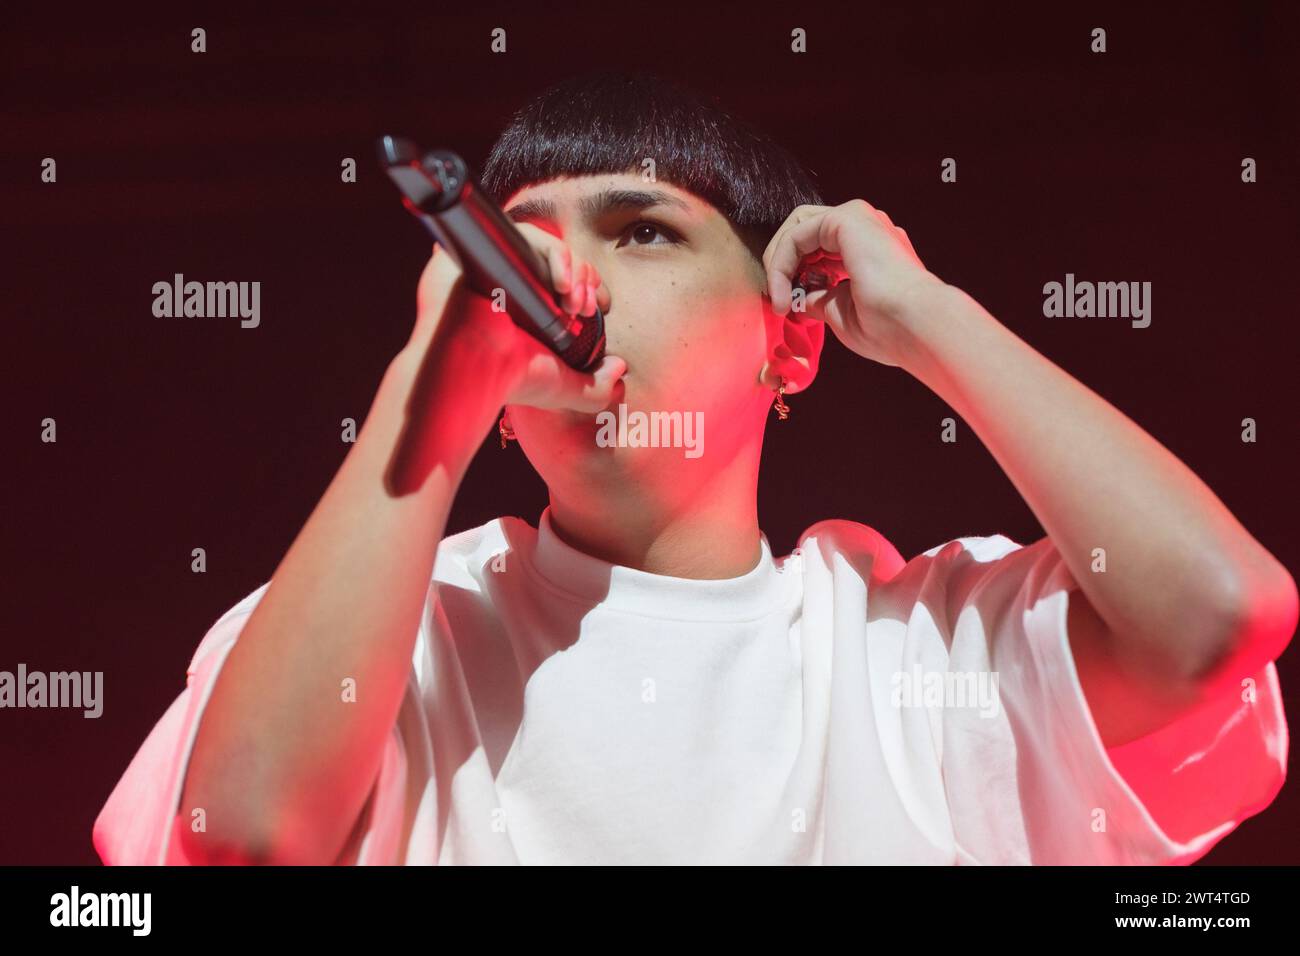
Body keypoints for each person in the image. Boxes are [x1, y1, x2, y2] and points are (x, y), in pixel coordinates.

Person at [94, 71, 1294, 865]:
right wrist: (434, 384)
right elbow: (242, 832)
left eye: (645, 231)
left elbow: (1221, 612)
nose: (574, 283)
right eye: (528, 247)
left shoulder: (918, 647)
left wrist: (927, 314)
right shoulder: (388, 630)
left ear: (789, 335)